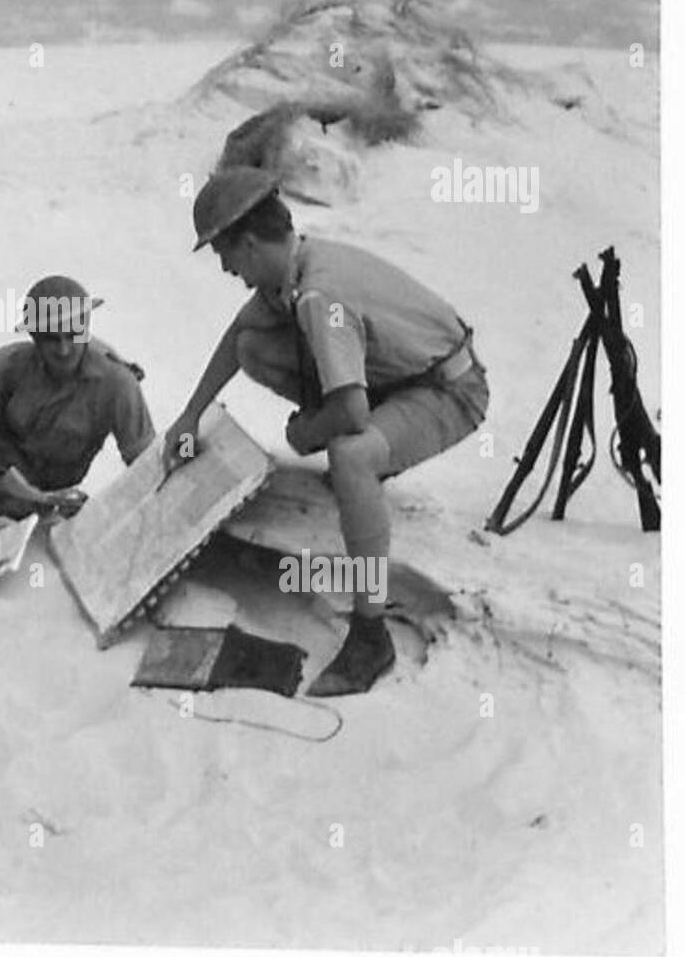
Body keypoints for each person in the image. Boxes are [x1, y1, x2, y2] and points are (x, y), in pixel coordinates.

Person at [162, 167, 489, 696]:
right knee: (254, 348)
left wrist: (305, 434)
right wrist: (189, 415)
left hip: (449, 393)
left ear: (247, 244)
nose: (225, 269)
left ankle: (370, 634)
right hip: (400, 381)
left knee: (350, 452)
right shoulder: (296, 261)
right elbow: (239, 335)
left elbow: (354, 413)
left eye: (223, 254)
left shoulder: (318, 294)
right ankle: (369, 470)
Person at [0, 275, 156, 516]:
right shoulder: (6, 366)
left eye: (73, 334)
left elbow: (145, 465)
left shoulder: (117, 384)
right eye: (51, 339)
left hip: (48, 497)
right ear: (34, 336)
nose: (64, 350)